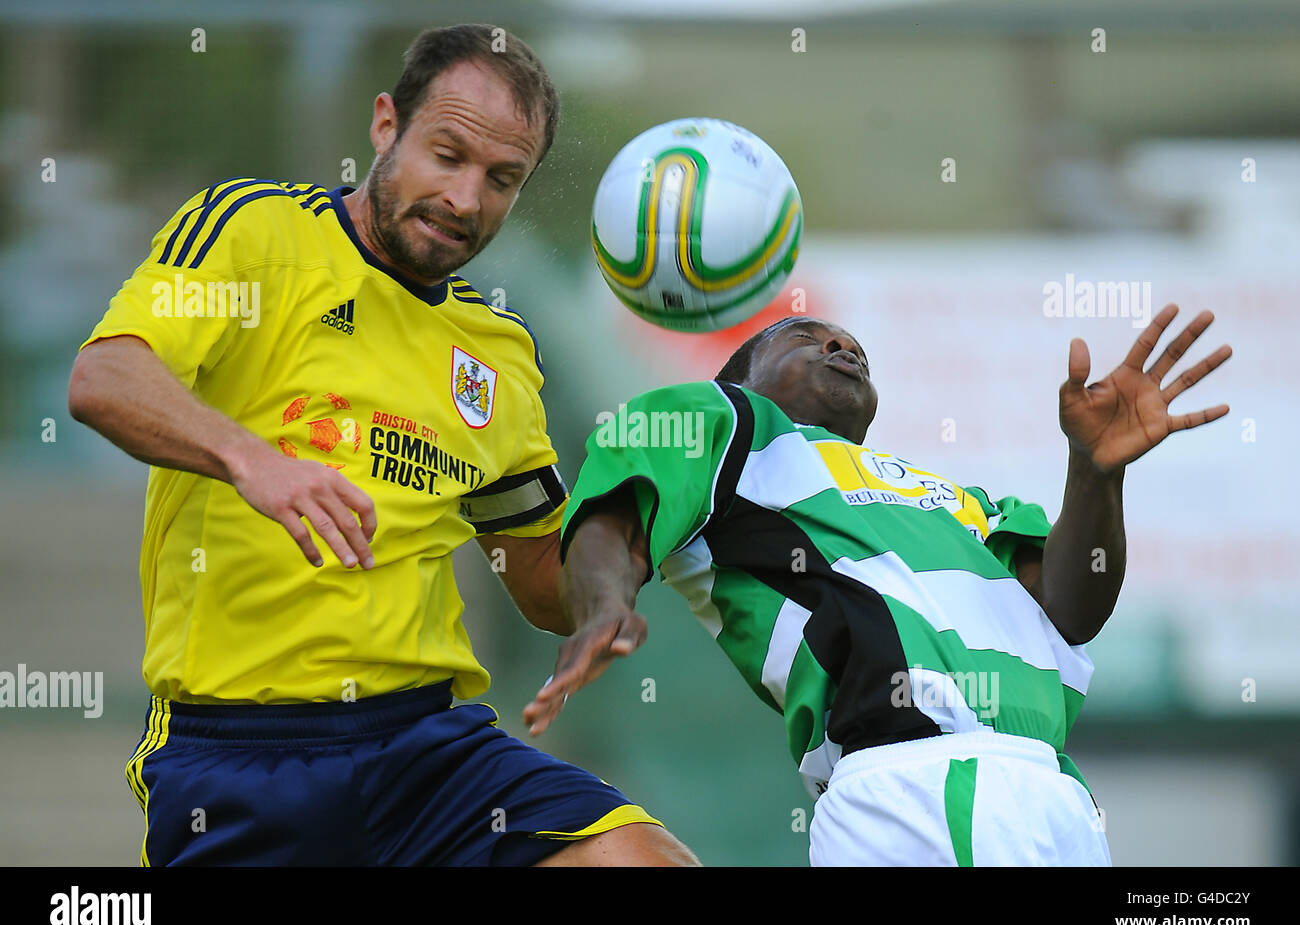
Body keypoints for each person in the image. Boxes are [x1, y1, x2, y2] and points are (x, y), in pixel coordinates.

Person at [67, 23, 696, 867]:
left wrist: (608, 593)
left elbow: (542, 578)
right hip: (239, 757)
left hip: (429, 751)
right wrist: (254, 462)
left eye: (501, 179)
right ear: (385, 125)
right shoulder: (257, 234)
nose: (467, 199)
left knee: (639, 860)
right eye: (447, 155)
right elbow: (104, 379)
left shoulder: (496, 351)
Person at [526, 307, 1231, 866]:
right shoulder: (729, 432)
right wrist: (604, 605)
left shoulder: (966, 502)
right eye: (807, 339)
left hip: (1054, 792)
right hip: (915, 781)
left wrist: (1095, 472)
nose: (842, 348)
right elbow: (617, 519)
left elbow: (1073, 610)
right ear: (739, 380)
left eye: (851, 344)